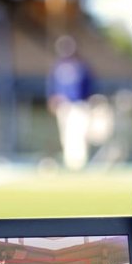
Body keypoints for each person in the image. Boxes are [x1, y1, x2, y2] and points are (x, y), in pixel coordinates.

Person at [47, 35, 95, 170]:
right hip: (64, 106)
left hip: (79, 104)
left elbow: (89, 86)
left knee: (79, 134)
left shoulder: (81, 66)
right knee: (66, 135)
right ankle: (70, 162)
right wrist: (53, 98)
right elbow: (52, 85)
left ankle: (79, 163)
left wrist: (87, 101)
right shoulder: (57, 67)